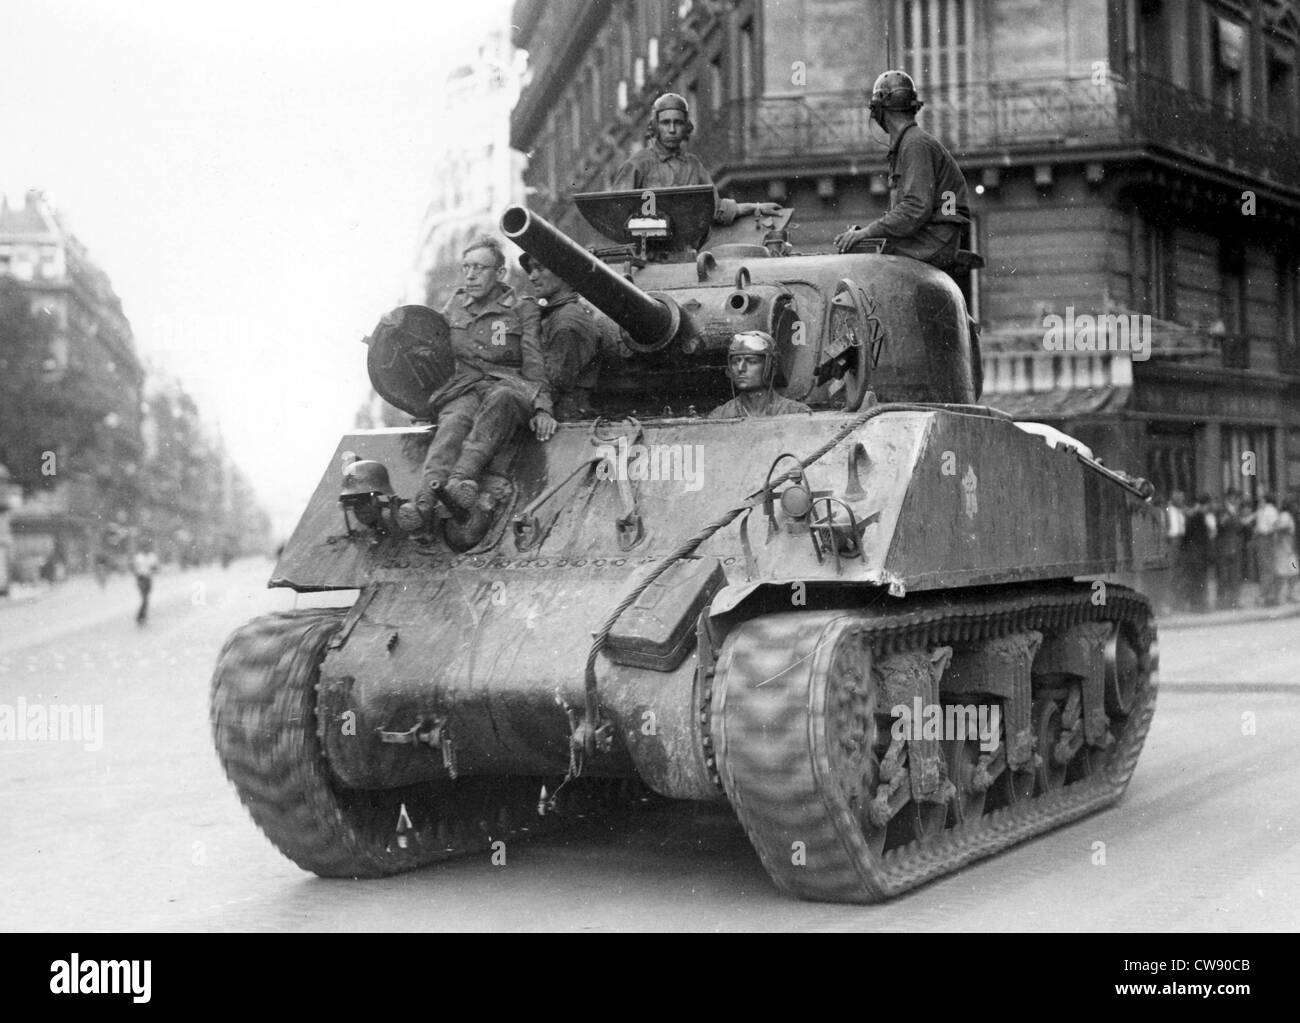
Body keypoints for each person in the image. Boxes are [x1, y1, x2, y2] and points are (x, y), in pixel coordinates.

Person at [409, 237, 555, 526]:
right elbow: (432, 347)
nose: (471, 275)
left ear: (500, 273)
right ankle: (426, 497)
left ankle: (461, 479)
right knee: (453, 419)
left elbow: (534, 362)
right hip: (466, 387)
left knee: (500, 399)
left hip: (509, 388)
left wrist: (542, 407)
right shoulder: (455, 306)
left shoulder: (522, 309)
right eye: (466, 267)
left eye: (479, 267)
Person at [833, 70, 971, 272]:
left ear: (880, 110)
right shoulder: (910, 142)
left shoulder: (915, 144)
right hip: (930, 238)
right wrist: (867, 234)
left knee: (865, 265)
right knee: (864, 251)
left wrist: (866, 233)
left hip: (931, 242)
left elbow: (915, 207)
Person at [611, 93, 780, 226]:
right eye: (665, 123)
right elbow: (616, 211)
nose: (671, 129)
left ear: (686, 127)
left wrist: (756, 207)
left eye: (677, 123)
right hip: (647, 256)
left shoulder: (694, 165)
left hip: (688, 254)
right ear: (655, 126)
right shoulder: (638, 164)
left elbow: (716, 209)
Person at [521, 251, 601, 421]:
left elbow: (556, 382)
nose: (532, 277)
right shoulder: (555, 314)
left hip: (564, 413)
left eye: (540, 268)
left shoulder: (567, 322)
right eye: (530, 269)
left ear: (564, 272)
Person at [708, 331, 811, 419]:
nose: (741, 368)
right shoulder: (720, 416)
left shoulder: (796, 412)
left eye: (751, 361)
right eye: (736, 362)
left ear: (771, 367)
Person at [1181, 493, 1215, 612]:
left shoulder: (1192, 515)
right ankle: (1200, 605)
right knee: (1200, 580)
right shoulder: (1199, 516)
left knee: (1195, 579)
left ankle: (1195, 604)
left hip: (1193, 552)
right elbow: (1203, 537)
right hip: (1199, 553)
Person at [1214, 490, 1248, 610]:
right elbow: (1220, 525)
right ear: (1229, 497)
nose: (1235, 500)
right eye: (1234, 497)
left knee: (1235, 575)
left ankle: (1234, 601)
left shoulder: (1236, 511)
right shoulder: (1222, 510)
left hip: (1235, 547)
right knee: (1224, 575)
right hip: (1224, 547)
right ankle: (1222, 602)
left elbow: (1240, 527)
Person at [1247, 492, 1279, 606]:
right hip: (1262, 539)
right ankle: (1267, 595)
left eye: (1262, 500)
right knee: (1265, 568)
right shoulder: (1263, 510)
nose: (1260, 502)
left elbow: (1273, 526)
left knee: (1266, 568)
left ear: (1266, 500)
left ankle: (1265, 595)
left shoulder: (1270, 510)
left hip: (1266, 539)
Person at [1274, 499, 1298, 602]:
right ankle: (1281, 596)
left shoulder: (1287, 516)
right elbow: (1279, 527)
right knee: (1283, 573)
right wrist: (1286, 528)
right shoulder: (1285, 516)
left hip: (1289, 549)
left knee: (1294, 571)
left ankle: (1289, 594)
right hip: (1284, 549)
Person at [131, 541, 159, 626]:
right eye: (144, 547)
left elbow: (156, 568)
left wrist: (153, 568)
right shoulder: (138, 557)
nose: (146, 549)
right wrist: (137, 573)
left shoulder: (152, 556)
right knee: (144, 598)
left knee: (146, 598)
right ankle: (140, 616)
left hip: (148, 579)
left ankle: (143, 615)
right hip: (141, 578)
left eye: (147, 547)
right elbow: (134, 567)